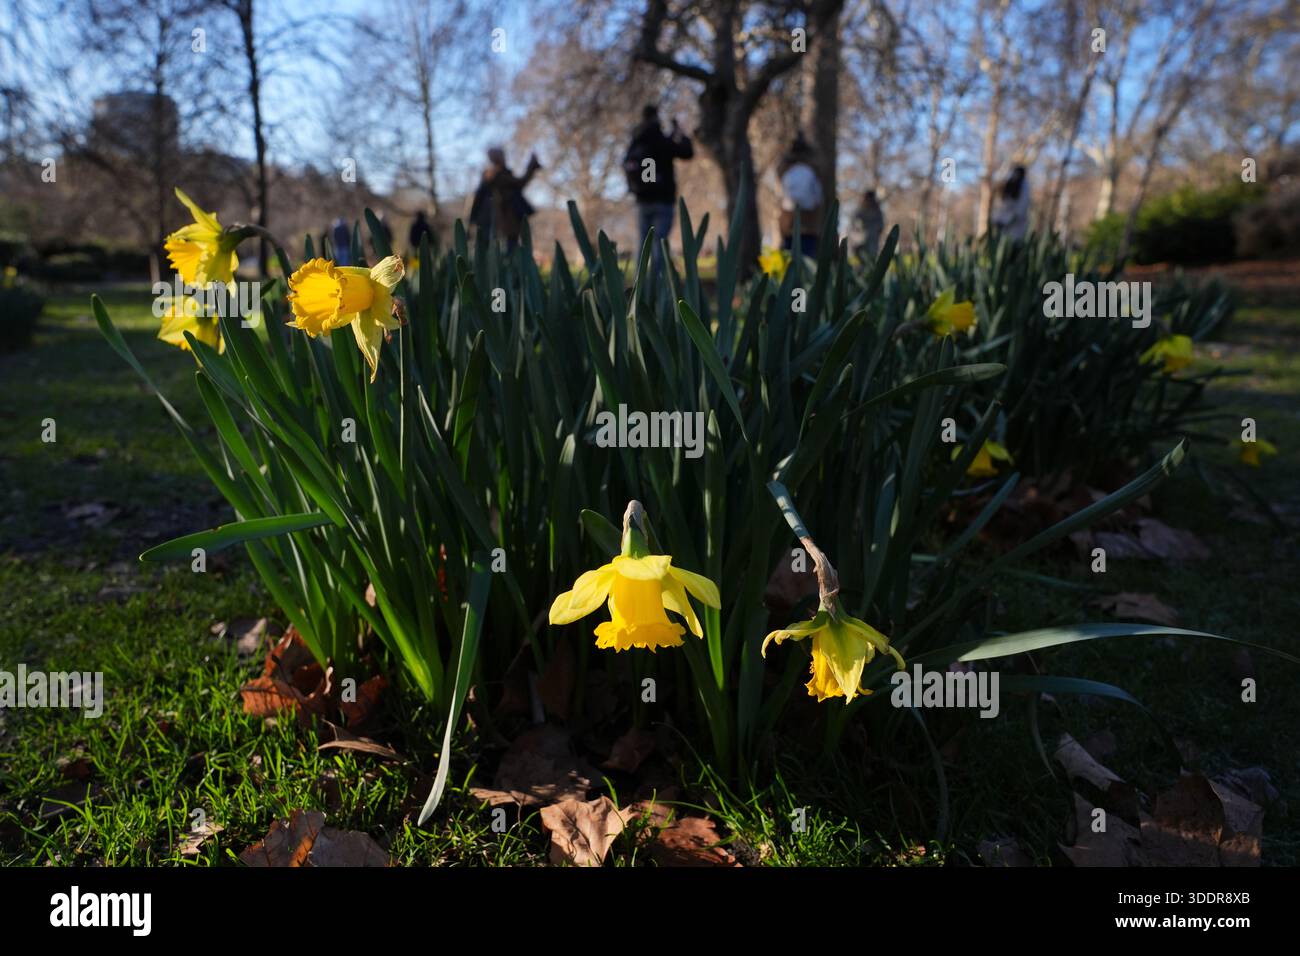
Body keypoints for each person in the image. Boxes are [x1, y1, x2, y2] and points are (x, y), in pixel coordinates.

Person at [623, 104, 694, 274]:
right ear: (656, 117)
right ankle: (657, 285)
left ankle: (639, 285)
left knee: (642, 242)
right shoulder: (661, 140)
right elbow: (687, 153)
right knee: (659, 243)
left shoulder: (637, 140)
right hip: (663, 200)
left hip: (642, 200)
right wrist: (680, 133)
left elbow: (627, 163)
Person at [468, 146, 541, 251]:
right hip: (502, 218)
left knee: (507, 244)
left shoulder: (495, 174)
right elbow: (519, 183)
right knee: (508, 246)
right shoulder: (498, 175)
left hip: (501, 218)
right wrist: (531, 166)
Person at [777, 134, 824, 257]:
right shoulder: (812, 170)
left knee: (790, 258)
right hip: (809, 224)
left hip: (789, 223)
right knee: (807, 259)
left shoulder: (786, 169)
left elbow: (782, 196)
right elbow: (818, 197)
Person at [990, 165, 1030, 241]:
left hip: (1015, 222)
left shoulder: (1024, 185)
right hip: (1003, 221)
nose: (1015, 175)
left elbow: (1022, 205)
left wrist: (1014, 217)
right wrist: (996, 218)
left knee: (1013, 241)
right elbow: (1000, 204)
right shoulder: (1008, 182)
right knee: (1001, 241)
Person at [850, 189, 885, 263]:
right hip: (860, 242)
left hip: (872, 242)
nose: (869, 201)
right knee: (860, 262)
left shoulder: (877, 212)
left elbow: (880, 226)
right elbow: (854, 225)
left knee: (871, 261)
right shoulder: (860, 211)